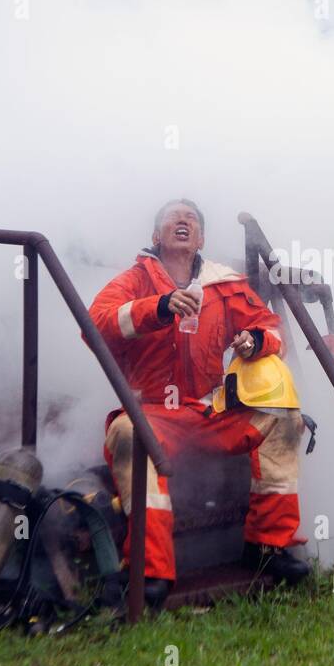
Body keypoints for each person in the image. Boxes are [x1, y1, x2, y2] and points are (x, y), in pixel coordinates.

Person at [88, 198, 309, 609]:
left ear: (202, 238)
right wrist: (157, 307)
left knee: (283, 420)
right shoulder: (134, 281)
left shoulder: (223, 283)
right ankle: (150, 570)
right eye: (174, 217)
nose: (184, 221)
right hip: (154, 413)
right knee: (127, 433)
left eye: (192, 218)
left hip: (212, 410)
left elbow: (269, 327)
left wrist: (253, 341)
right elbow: (96, 324)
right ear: (156, 236)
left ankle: (267, 547)